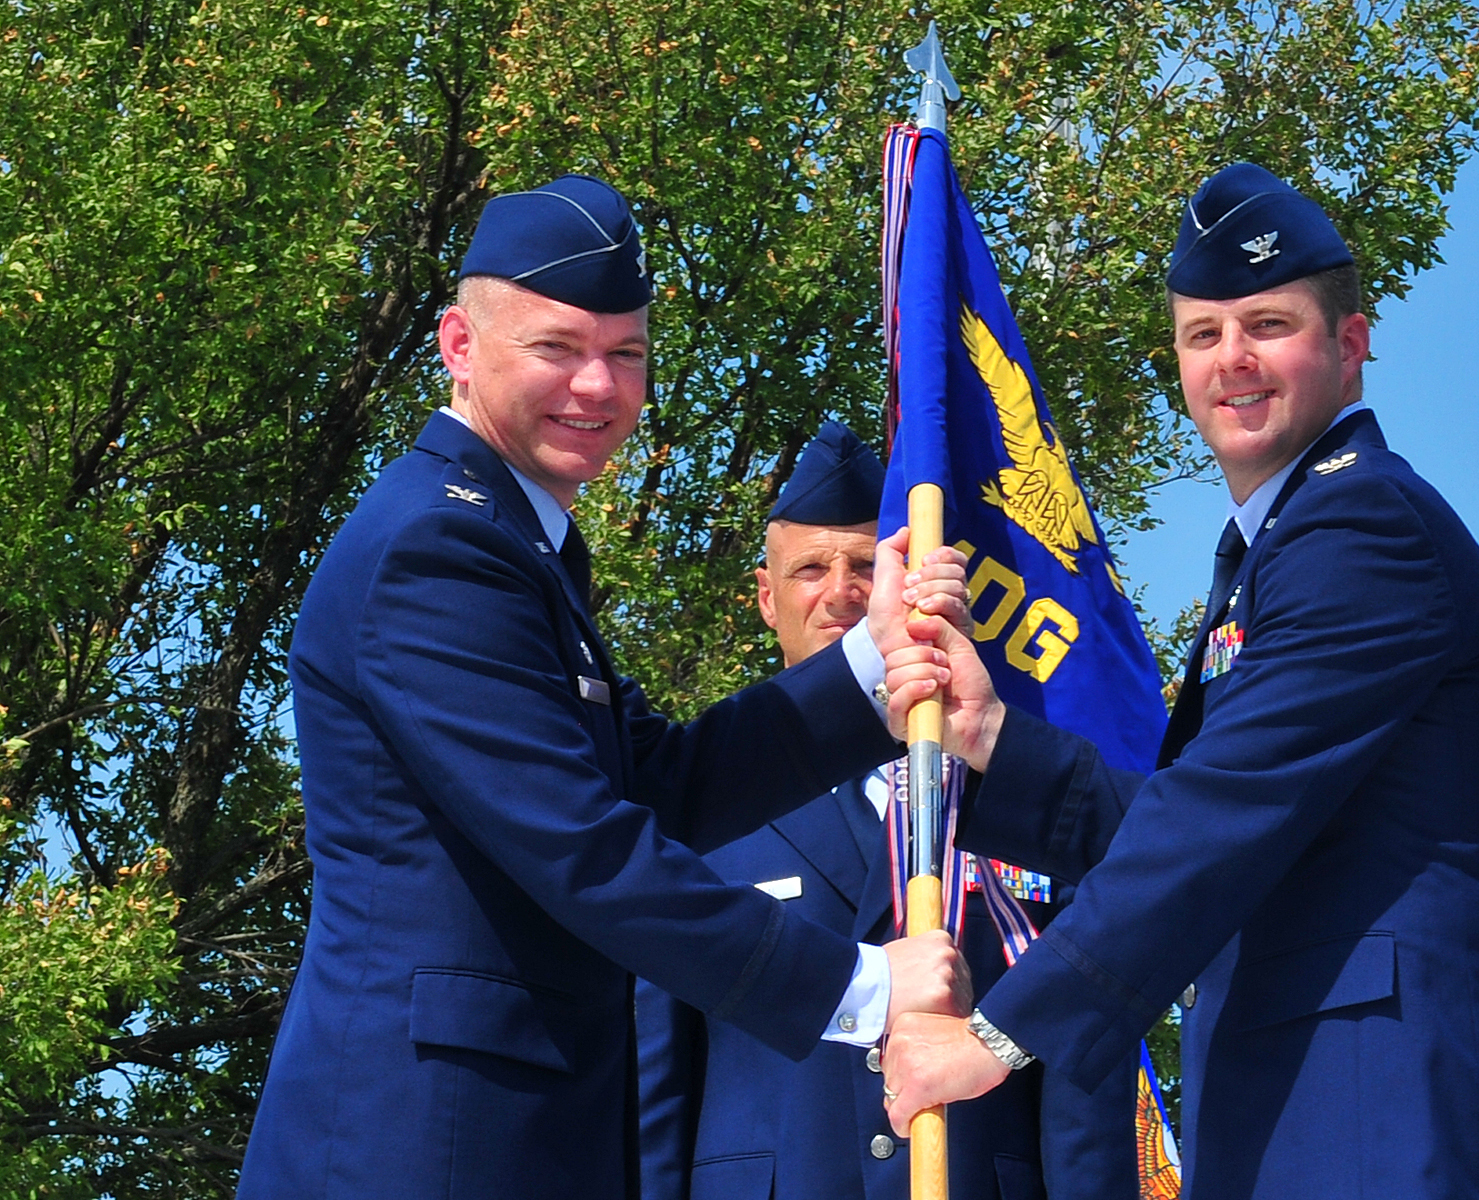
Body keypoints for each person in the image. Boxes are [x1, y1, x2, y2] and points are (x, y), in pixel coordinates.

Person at [236, 175, 973, 1200]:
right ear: (459, 345)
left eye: (626, 354)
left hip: (499, 1133)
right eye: (557, 347)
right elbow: (580, 843)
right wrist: (861, 983)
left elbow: (659, 783)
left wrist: (872, 662)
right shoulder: (439, 547)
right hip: (423, 1143)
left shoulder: (509, 538)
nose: (597, 386)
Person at [877, 163, 1479, 1199]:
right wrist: (992, 736)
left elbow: (1220, 813)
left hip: (1384, 1122)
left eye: (1268, 325)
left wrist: (996, 1034)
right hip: (1299, 1116)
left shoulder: (1364, 528)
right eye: (1203, 334)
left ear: (1351, 343)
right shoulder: (1283, 542)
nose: (1233, 360)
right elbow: (1211, 824)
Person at [634, 423, 1137, 1200]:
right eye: (810, 568)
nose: (841, 592)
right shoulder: (700, 800)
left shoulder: (1014, 790)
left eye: (869, 566)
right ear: (767, 597)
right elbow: (656, 1076)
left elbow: (1081, 1061)